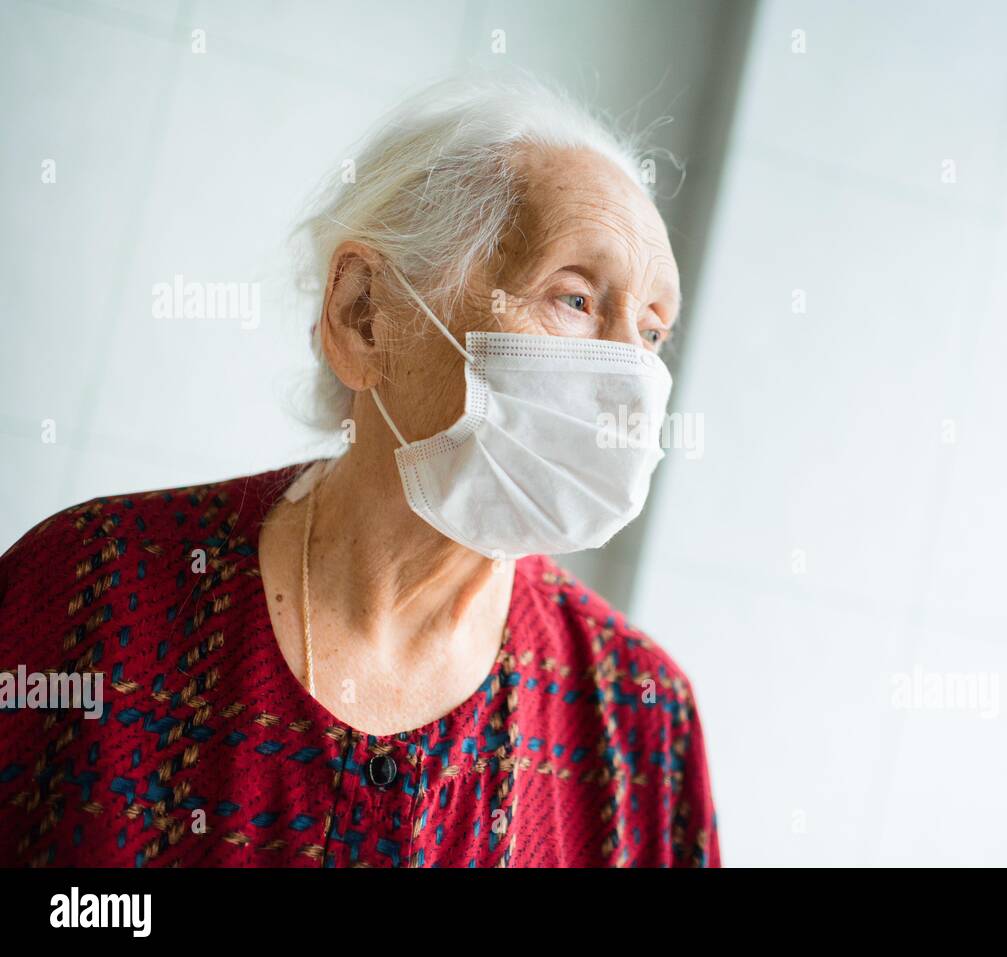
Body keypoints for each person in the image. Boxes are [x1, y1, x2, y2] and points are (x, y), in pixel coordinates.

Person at [0, 77, 719, 868]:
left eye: (652, 333)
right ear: (365, 313)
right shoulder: (94, 589)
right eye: (576, 299)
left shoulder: (641, 725)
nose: (628, 374)